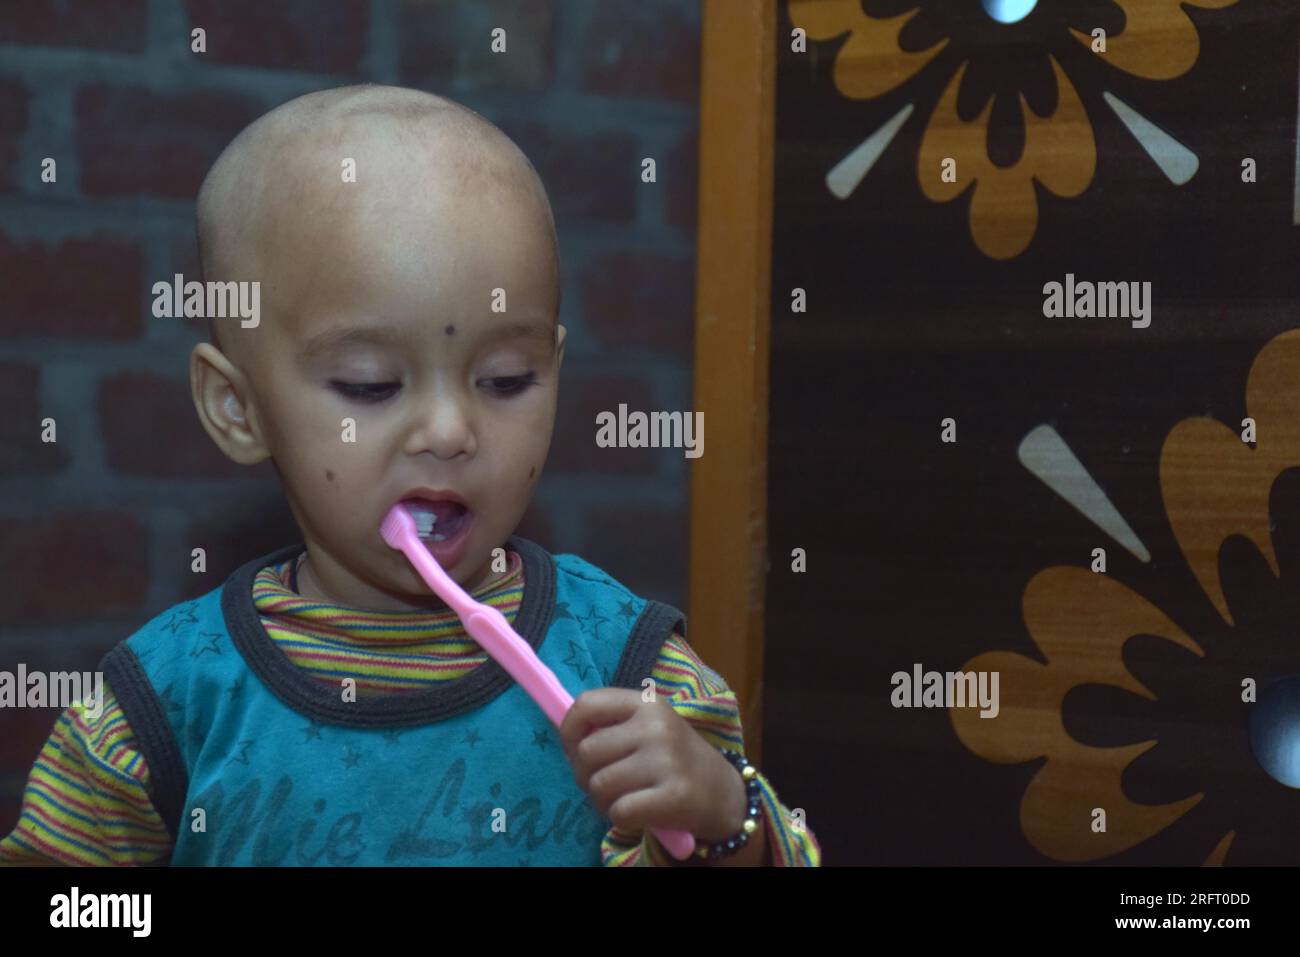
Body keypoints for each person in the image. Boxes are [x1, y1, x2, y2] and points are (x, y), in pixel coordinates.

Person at [0, 85, 820, 866]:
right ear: (238, 408)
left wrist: (723, 817)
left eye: (504, 379)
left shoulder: (629, 672)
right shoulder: (159, 710)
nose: (451, 430)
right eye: (370, 384)